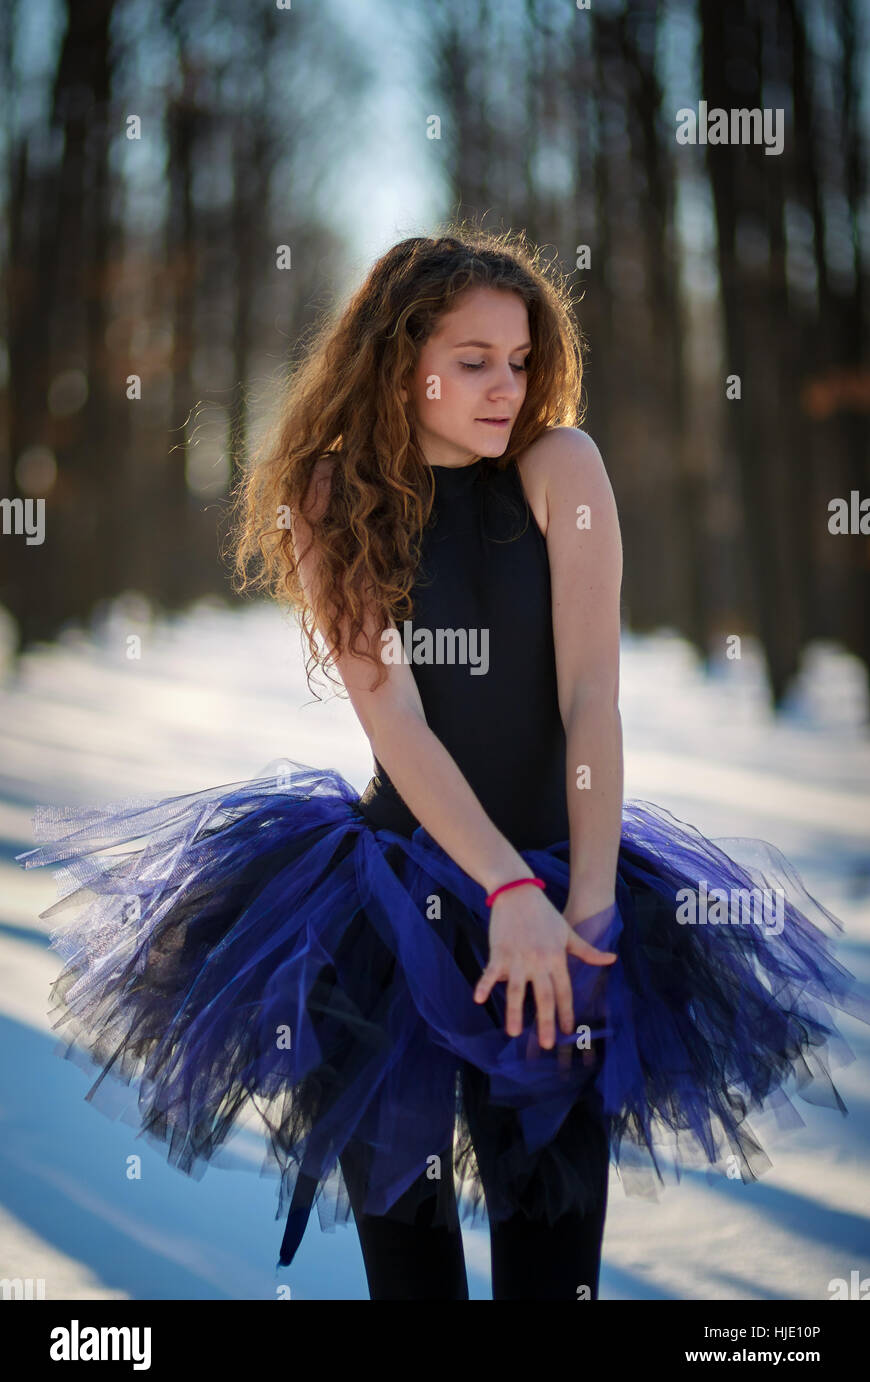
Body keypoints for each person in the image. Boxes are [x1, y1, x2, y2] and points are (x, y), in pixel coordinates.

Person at [17, 227, 870, 1302]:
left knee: (553, 1273)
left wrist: (587, 906)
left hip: (569, 892)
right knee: (414, 1288)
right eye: (473, 360)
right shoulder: (336, 494)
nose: (506, 387)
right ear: (399, 357)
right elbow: (398, 723)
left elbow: (590, 699)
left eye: (519, 360)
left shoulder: (562, 468)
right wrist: (500, 885)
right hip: (386, 917)